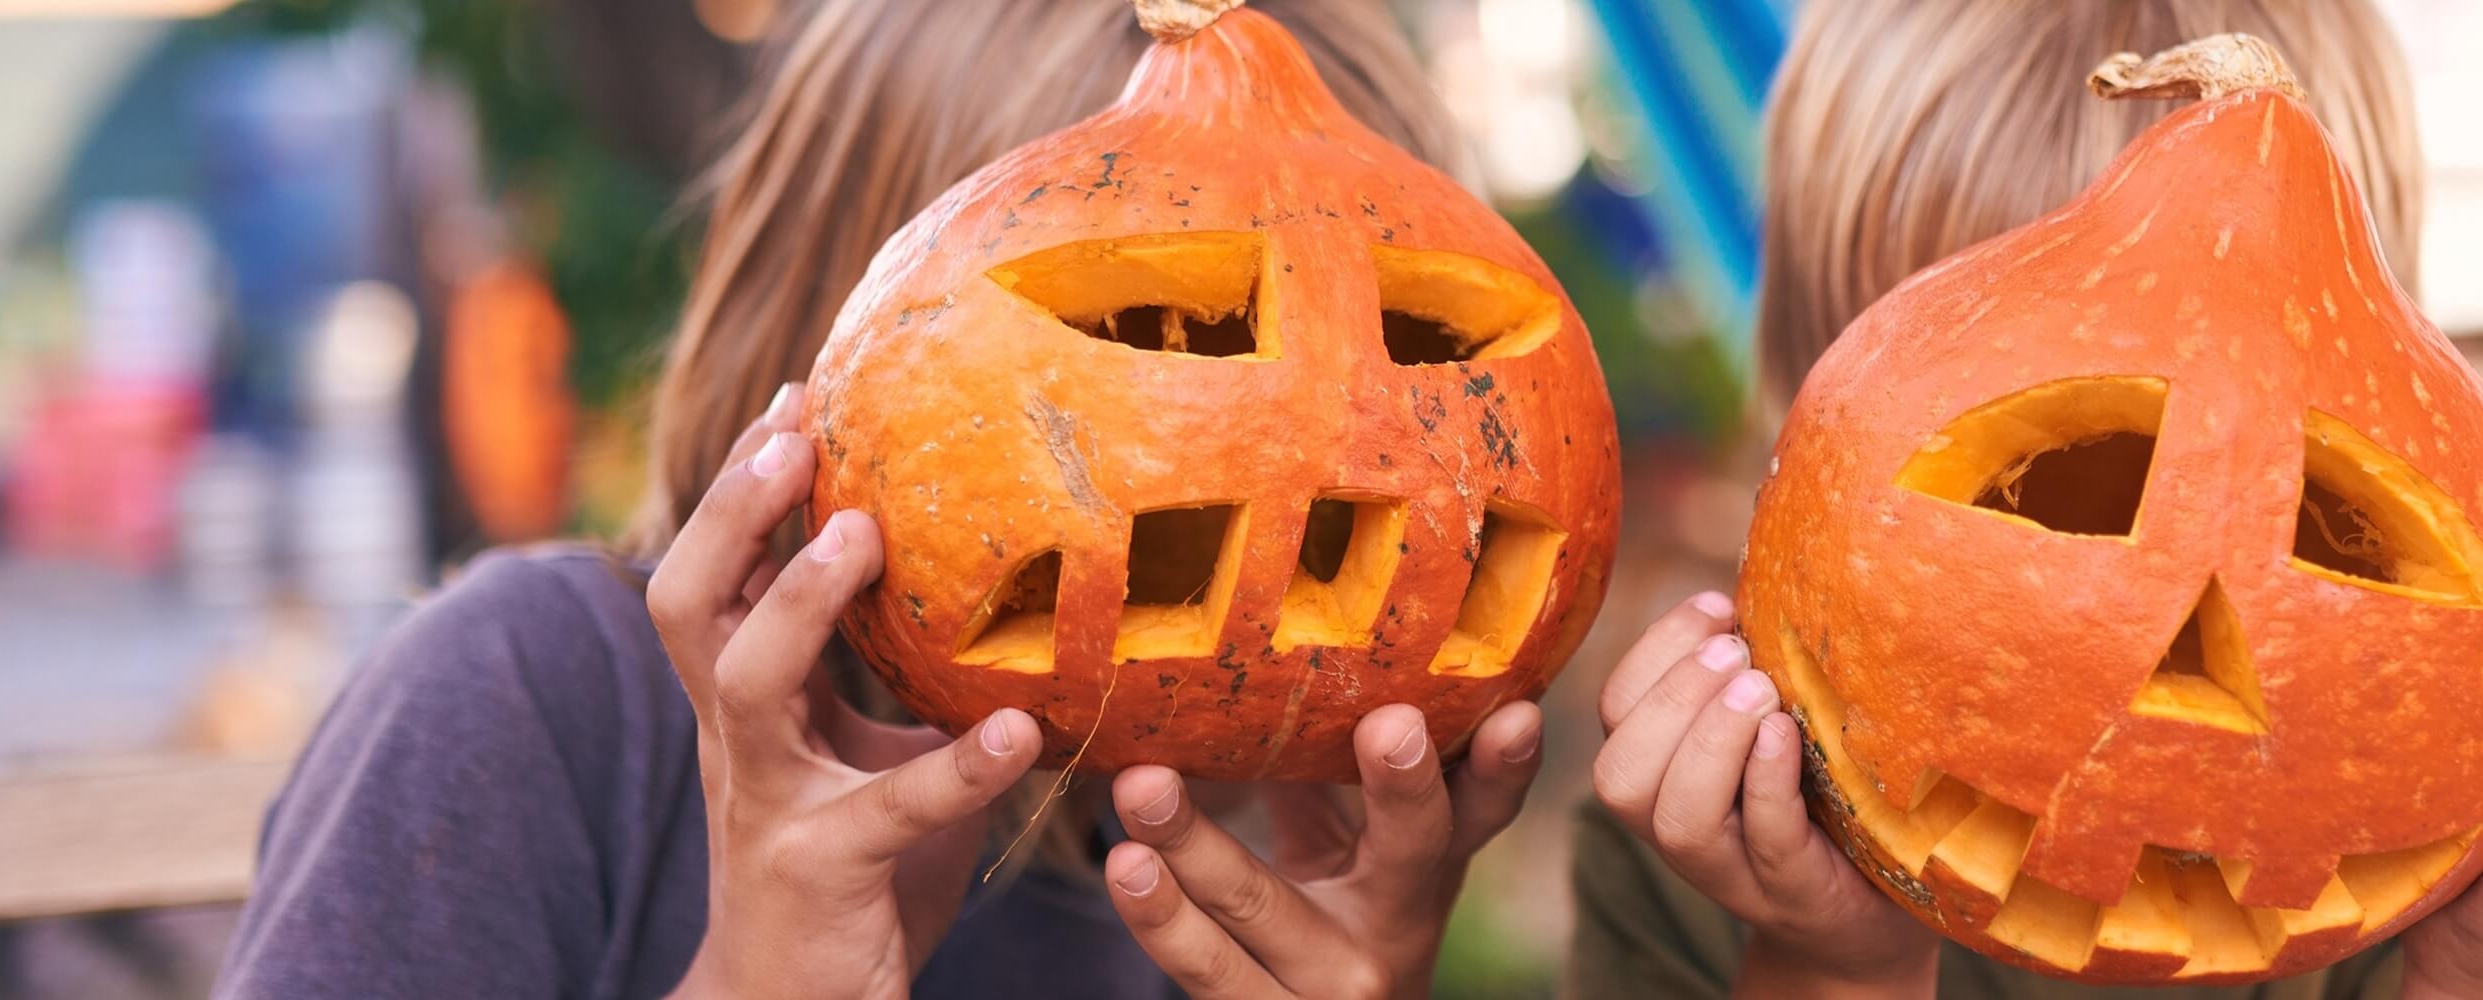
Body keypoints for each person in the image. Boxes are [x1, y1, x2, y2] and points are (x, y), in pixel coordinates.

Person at [219, 2, 1533, 996]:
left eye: (1416, 343)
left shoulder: (1259, 868)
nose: (1320, 452)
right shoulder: (527, 710)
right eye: (1143, 334)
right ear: (854, 360)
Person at [1571, 2, 2483, 997]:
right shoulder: (1683, 847)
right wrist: (1829, 969)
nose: (2162, 674)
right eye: (2030, 499)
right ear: (1808, 425)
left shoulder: (2476, 882)